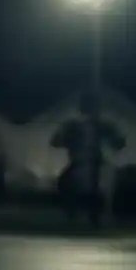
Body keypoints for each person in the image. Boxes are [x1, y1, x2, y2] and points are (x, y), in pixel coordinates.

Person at [51, 91, 126, 226]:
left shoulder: (101, 125)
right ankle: (75, 214)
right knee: (65, 184)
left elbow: (119, 143)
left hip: (95, 164)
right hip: (80, 163)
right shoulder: (74, 125)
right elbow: (56, 141)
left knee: (95, 186)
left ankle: (92, 215)